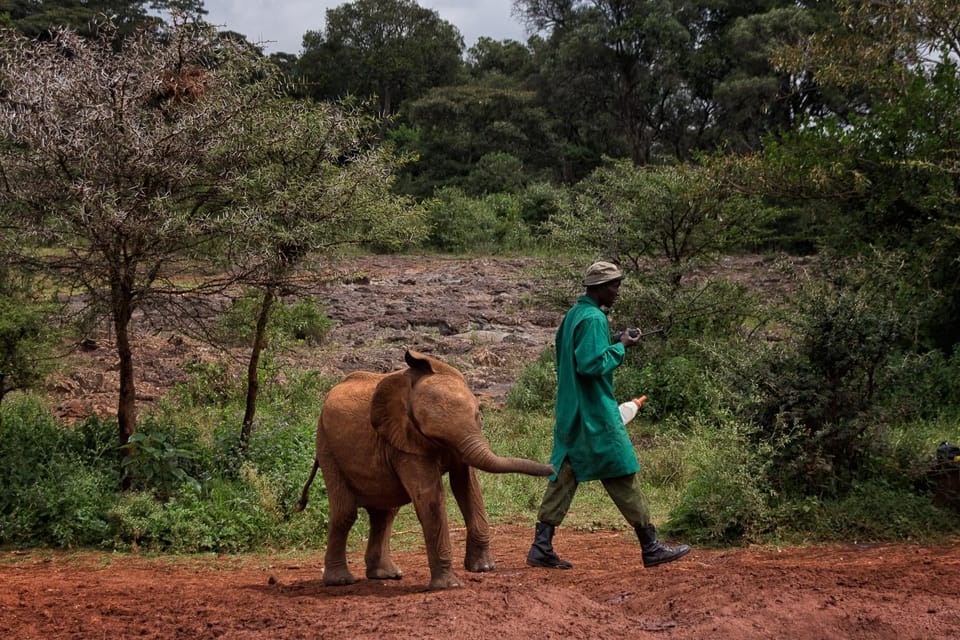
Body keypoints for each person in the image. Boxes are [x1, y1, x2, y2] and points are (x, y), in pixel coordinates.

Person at [527, 260, 691, 570]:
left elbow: (575, 351)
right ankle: (650, 545)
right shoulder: (592, 318)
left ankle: (541, 546)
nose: (617, 291)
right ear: (599, 287)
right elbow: (589, 365)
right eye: (614, 285)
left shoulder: (575, 315)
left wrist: (613, 339)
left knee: (564, 475)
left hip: (571, 410)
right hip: (594, 413)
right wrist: (621, 348)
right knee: (622, 469)